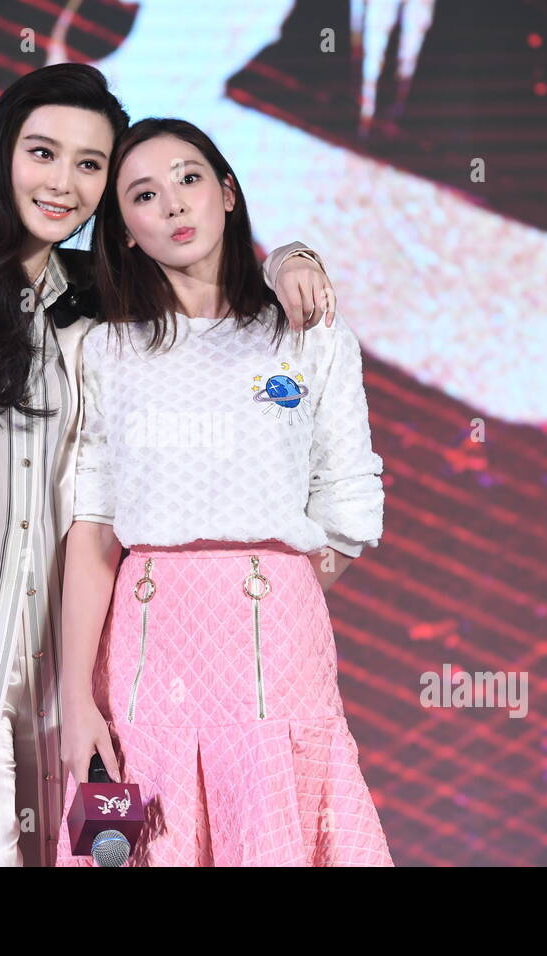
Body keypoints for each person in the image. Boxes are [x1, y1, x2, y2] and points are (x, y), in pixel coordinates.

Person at [0, 65, 337, 867]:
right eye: (43, 153)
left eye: (91, 165)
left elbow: (210, 283)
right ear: (2, 155)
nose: (64, 184)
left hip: (67, 657)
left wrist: (290, 256)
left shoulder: (105, 302)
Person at [56, 117, 392, 866]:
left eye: (189, 179)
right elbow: (94, 526)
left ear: (229, 192)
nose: (173, 205)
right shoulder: (108, 349)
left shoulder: (309, 333)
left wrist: (275, 584)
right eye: (144, 195)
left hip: (276, 641)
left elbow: (348, 497)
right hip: (146, 646)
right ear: (127, 231)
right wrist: (76, 698)